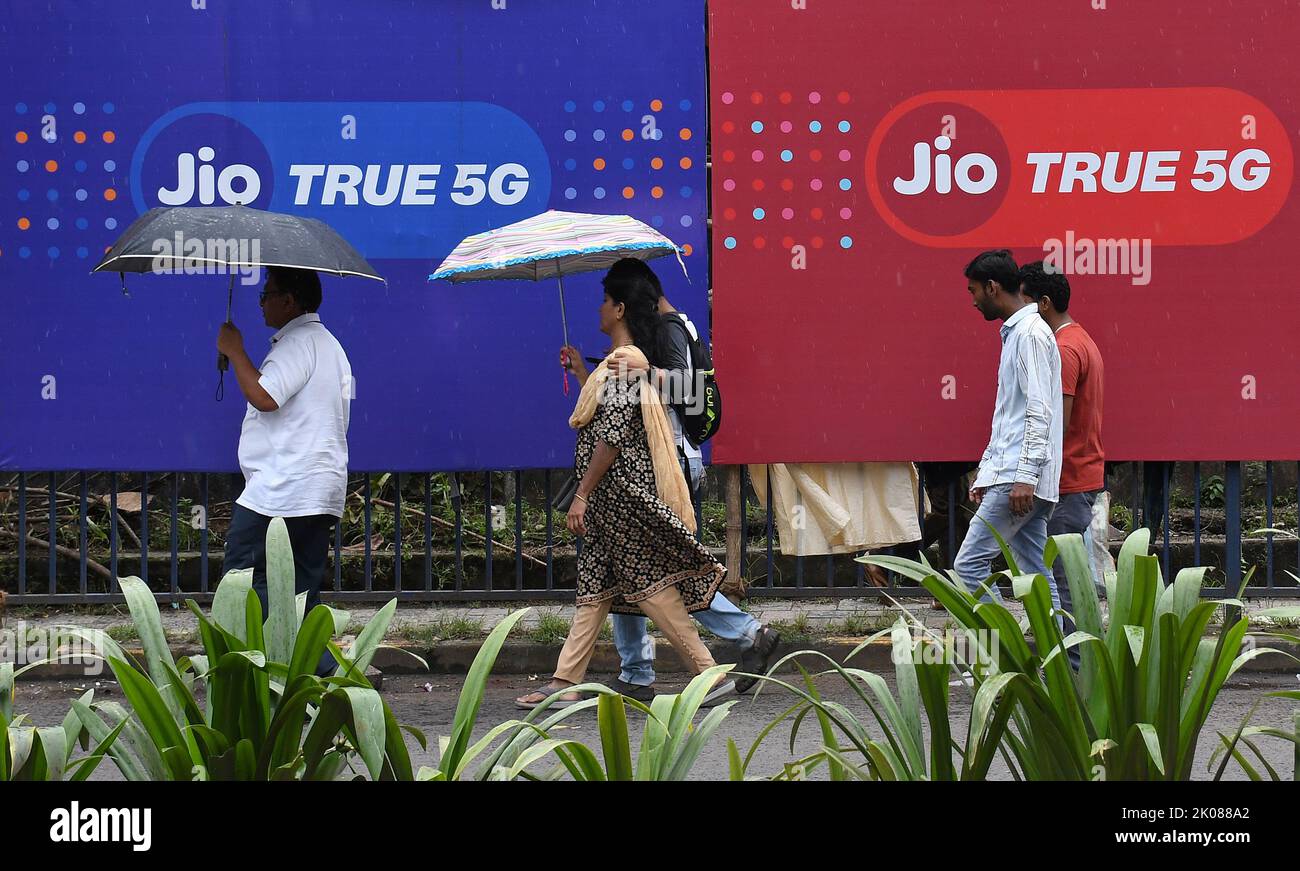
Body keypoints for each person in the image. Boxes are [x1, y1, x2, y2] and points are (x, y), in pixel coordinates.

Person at [516, 262, 735, 709]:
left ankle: (709, 673)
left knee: (651, 591)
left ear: (618, 309)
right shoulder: (623, 363)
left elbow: (612, 435)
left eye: (603, 302)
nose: (597, 309)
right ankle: (565, 679)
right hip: (607, 499)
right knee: (593, 590)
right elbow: (607, 413)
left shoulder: (625, 362)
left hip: (617, 497)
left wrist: (580, 495)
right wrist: (581, 371)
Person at [560, 259, 780, 700]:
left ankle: (745, 635)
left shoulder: (668, 329)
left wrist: (648, 372)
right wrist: (588, 377)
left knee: (665, 568)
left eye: (609, 299)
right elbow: (627, 401)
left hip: (669, 460)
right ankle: (637, 671)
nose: (603, 307)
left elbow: (690, 389)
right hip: (656, 460)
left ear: (628, 302)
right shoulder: (653, 334)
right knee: (632, 569)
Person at [216, 266, 352, 672]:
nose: (261, 303)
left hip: (282, 490)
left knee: (242, 580)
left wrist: (235, 351)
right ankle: (322, 677)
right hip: (319, 489)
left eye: (266, 294)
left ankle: (252, 669)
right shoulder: (330, 345)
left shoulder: (297, 344)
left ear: (289, 301)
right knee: (300, 592)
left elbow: (265, 396)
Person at [955, 250, 1063, 610]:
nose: (971, 301)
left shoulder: (1029, 334)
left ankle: (1002, 652)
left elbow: (1038, 410)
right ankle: (1064, 660)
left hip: (1019, 478)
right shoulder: (1023, 332)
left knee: (968, 565)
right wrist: (988, 473)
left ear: (992, 287)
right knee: (1035, 570)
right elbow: (1010, 417)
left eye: (973, 292)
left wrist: (1024, 477)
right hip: (1019, 477)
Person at [1021, 262, 1105, 665]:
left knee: (1064, 579)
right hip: (1080, 475)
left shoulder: (1065, 348)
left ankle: (1074, 669)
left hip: (1069, 478)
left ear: (1044, 302)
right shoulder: (1082, 339)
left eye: (1026, 302)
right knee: (1072, 575)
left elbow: (1059, 422)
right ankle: (1080, 661)